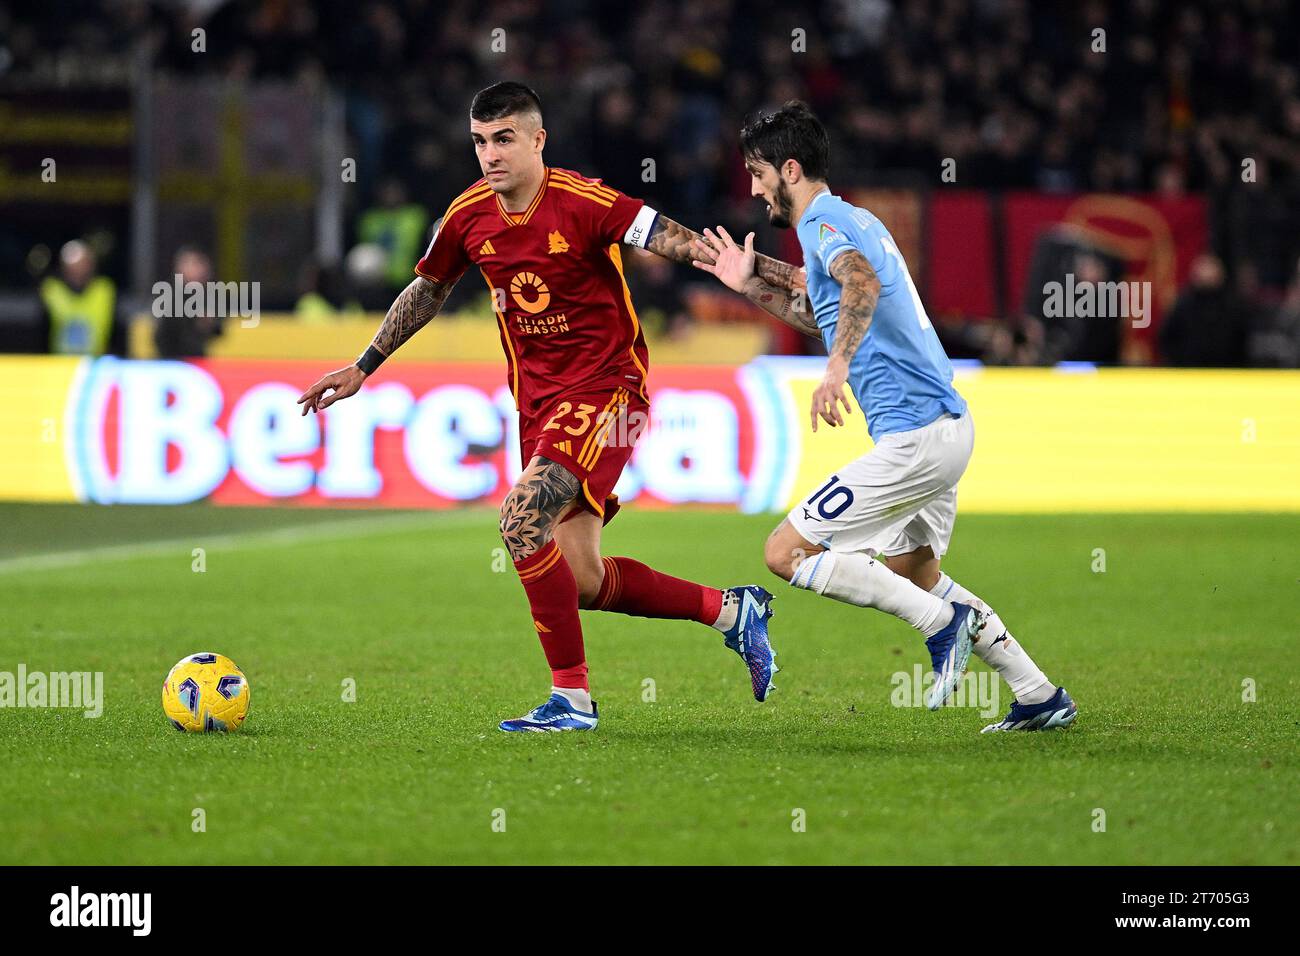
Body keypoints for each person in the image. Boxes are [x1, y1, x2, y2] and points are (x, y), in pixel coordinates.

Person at [298, 82, 803, 732]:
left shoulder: (581, 200)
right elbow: (427, 290)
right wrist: (363, 366)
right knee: (581, 580)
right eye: (480, 141)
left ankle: (572, 699)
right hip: (538, 408)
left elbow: (666, 237)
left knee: (518, 518)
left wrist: (743, 268)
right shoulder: (468, 215)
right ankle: (733, 612)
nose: (490, 154)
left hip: (608, 390)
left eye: (503, 138)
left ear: (538, 139)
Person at [692, 101, 1075, 733]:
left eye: (759, 172)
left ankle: (939, 625)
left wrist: (836, 368)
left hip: (918, 436)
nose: (754, 188)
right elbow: (823, 306)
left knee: (785, 552)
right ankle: (1036, 693)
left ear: (790, 169)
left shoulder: (823, 224)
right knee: (913, 572)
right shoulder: (853, 219)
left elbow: (859, 287)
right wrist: (750, 281)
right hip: (946, 428)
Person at [38, 240, 122, 356]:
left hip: (97, 363)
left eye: (82, 266)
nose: (78, 272)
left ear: (91, 265)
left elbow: (116, 327)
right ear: (63, 269)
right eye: (72, 269)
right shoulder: (52, 290)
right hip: (59, 363)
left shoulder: (104, 289)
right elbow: (41, 329)